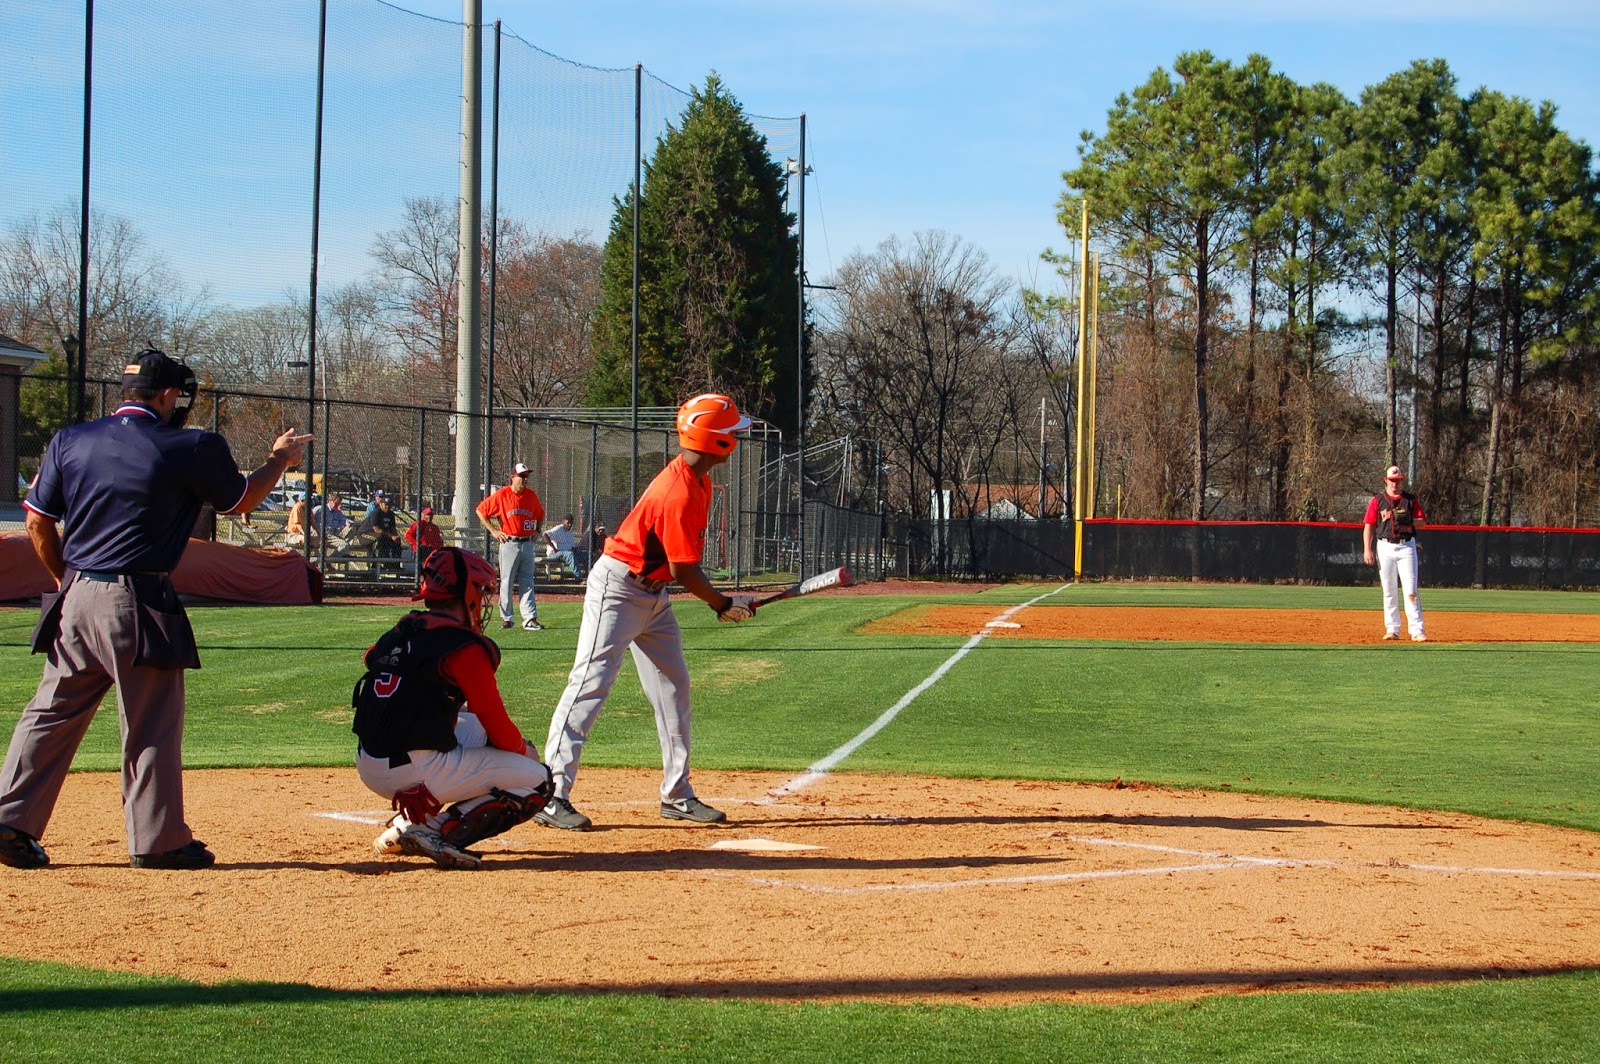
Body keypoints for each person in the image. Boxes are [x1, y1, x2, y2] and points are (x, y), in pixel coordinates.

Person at [0, 349, 309, 870]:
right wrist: (280, 459)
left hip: (74, 596)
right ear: (166, 396)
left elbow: (35, 522)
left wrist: (62, 579)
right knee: (151, 721)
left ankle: (9, 821)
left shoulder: (71, 440)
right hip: (137, 598)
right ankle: (157, 840)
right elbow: (243, 501)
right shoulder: (191, 444)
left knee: (50, 712)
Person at [536, 394, 758, 831]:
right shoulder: (677, 490)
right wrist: (722, 604)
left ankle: (677, 795)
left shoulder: (700, 480)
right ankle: (549, 795)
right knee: (589, 685)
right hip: (619, 589)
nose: (737, 437)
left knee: (675, 688)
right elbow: (683, 569)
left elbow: (677, 568)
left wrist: (723, 601)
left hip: (652, 595)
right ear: (716, 441)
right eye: (732, 432)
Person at [354, 547, 552, 870]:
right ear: (467, 592)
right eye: (482, 591)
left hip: (368, 760)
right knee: (539, 781)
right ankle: (428, 829)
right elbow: (496, 723)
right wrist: (522, 751)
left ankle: (411, 821)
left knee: (474, 730)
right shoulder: (463, 646)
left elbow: (372, 659)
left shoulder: (403, 629)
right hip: (412, 768)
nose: (484, 601)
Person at [475, 462, 545, 631]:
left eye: (527, 476)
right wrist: (494, 531)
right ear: (513, 477)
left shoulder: (531, 495)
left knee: (527, 580)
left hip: (527, 543)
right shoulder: (502, 495)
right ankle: (507, 618)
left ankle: (529, 618)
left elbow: (540, 514)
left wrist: (538, 530)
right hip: (509, 543)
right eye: (522, 476)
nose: (525, 479)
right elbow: (480, 511)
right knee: (507, 581)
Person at [1363, 464, 1427, 643]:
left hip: (1407, 546)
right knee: (1389, 590)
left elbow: (1422, 522)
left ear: (1402, 481)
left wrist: (1410, 520)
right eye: (1392, 480)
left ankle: (1417, 630)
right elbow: (1368, 525)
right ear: (1386, 481)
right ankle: (1392, 629)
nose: (1395, 484)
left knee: (1411, 590)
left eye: (1398, 481)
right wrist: (1367, 549)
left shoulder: (1410, 500)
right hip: (1385, 546)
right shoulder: (1378, 500)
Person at [358, 491, 403, 561]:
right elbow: (377, 529)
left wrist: (395, 536)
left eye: (389, 505)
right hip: (364, 535)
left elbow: (393, 528)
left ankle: (394, 564)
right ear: (381, 504)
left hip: (380, 535)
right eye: (386, 504)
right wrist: (391, 536)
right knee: (380, 537)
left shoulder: (391, 514)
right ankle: (376, 561)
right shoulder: (376, 513)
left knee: (395, 541)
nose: (387, 506)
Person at [542, 514, 586, 580]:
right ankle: (579, 578)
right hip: (555, 553)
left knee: (586, 555)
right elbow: (545, 534)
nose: (569, 525)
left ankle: (589, 576)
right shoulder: (558, 529)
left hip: (567, 554)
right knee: (569, 554)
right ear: (563, 522)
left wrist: (575, 549)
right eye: (568, 523)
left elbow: (570, 546)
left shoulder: (570, 532)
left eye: (571, 523)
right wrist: (554, 548)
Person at [405, 506, 445, 576]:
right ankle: (422, 576)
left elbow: (438, 541)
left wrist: (439, 549)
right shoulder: (419, 524)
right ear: (424, 515)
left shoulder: (435, 527)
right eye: (428, 514)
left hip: (432, 550)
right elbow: (408, 535)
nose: (429, 516)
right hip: (421, 549)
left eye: (431, 515)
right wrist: (416, 543)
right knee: (424, 558)